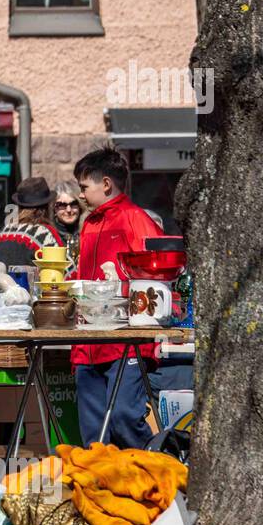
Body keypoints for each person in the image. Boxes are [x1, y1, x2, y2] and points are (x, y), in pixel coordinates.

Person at [71, 147, 163, 449]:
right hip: (88, 342)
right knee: (94, 436)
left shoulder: (134, 219)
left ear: (106, 184)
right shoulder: (89, 224)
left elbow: (159, 273)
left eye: (84, 187)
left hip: (125, 338)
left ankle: (156, 471)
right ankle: (100, 490)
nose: (81, 195)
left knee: (124, 415)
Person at [0, 176, 63, 269]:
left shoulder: (4, 232)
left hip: (3, 283)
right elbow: (65, 270)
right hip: (31, 283)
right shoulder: (43, 233)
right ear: (47, 206)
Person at [52, 179, 84, 266]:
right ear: (54, 208)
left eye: (73, 204)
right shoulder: (49, 235)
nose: (69, 210)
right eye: (62, 205)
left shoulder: (87, 231)